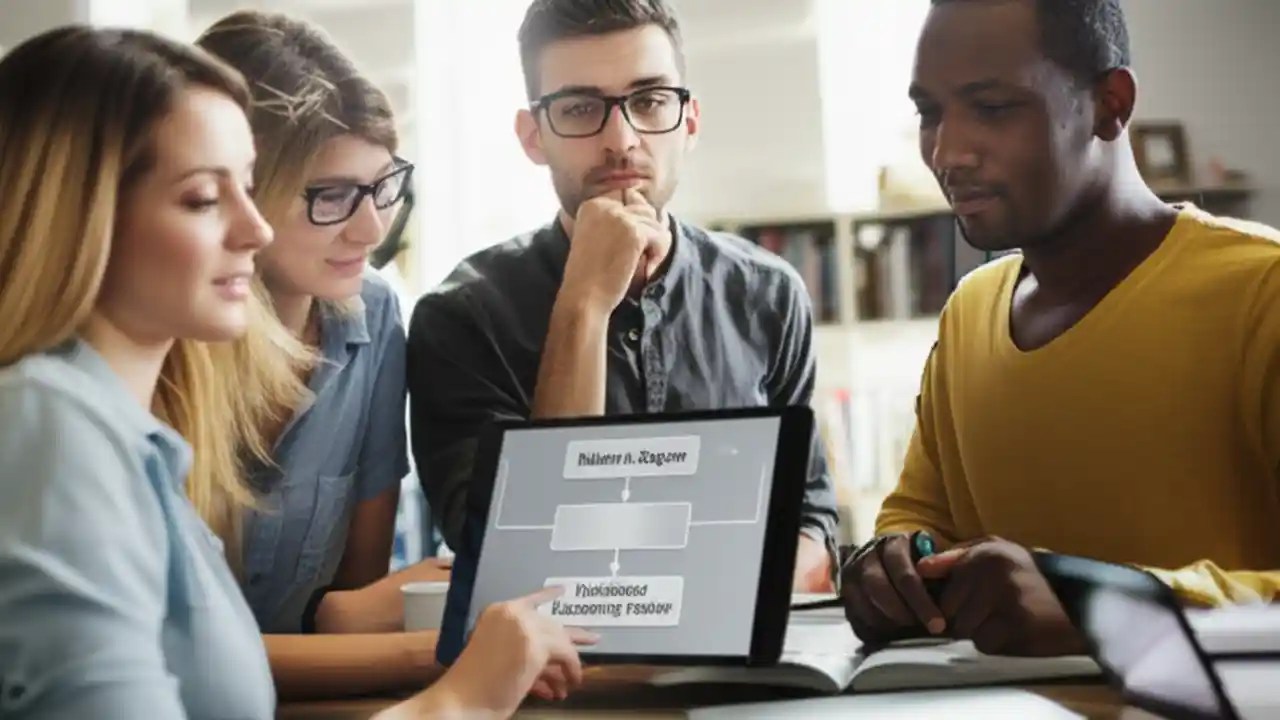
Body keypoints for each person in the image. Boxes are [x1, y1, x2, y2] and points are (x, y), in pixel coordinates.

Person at [0, 25, 593, 719]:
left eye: (248, 189)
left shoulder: (130, 445)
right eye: (202, 198)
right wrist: (462, 692)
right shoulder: (51, 426)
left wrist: (346, 622)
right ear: (82, 215)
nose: (253, 230)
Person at [840, 0, 1280, 659]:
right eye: (931, 112)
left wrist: (1105, 607)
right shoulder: (970, 312)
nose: (948, 152)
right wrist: (892, 568)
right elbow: (917, 520)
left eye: (990, 107)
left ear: (1109, 104)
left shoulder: (1261, 294)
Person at [408, 0, 839, 593]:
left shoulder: (769, 294)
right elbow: (513, 558)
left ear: (688, 121)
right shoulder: (459, 317)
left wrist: (723, 596)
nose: (622, 139)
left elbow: (811, 523)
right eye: (581, 107)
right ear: (533, 137)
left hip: (740, 665)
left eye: (649, 101)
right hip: (555, 675)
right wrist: (583, 304)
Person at [195, 10, 463, 700]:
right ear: (239, 192)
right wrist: (441, 654)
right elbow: (181, 653)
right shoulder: (161, 338)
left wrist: (369, 624)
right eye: (332, 195)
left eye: (382, 186)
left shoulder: (373, 313)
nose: (373, 227)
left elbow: (354, 604)